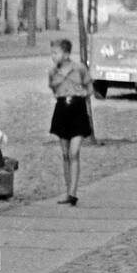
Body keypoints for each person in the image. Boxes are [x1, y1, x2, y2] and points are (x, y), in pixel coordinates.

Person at [49, 39, 92, 207]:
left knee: (74, 152)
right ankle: (69, 192)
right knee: (66, 153)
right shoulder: (53, 71)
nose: (53, 56)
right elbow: (52, 88)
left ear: (66, 54)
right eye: (51, 53)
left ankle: (73, 192)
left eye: (56, 53)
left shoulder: (79, 68)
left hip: (78, 110)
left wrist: (81, 95)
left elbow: (89, 87)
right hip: (61, 110)